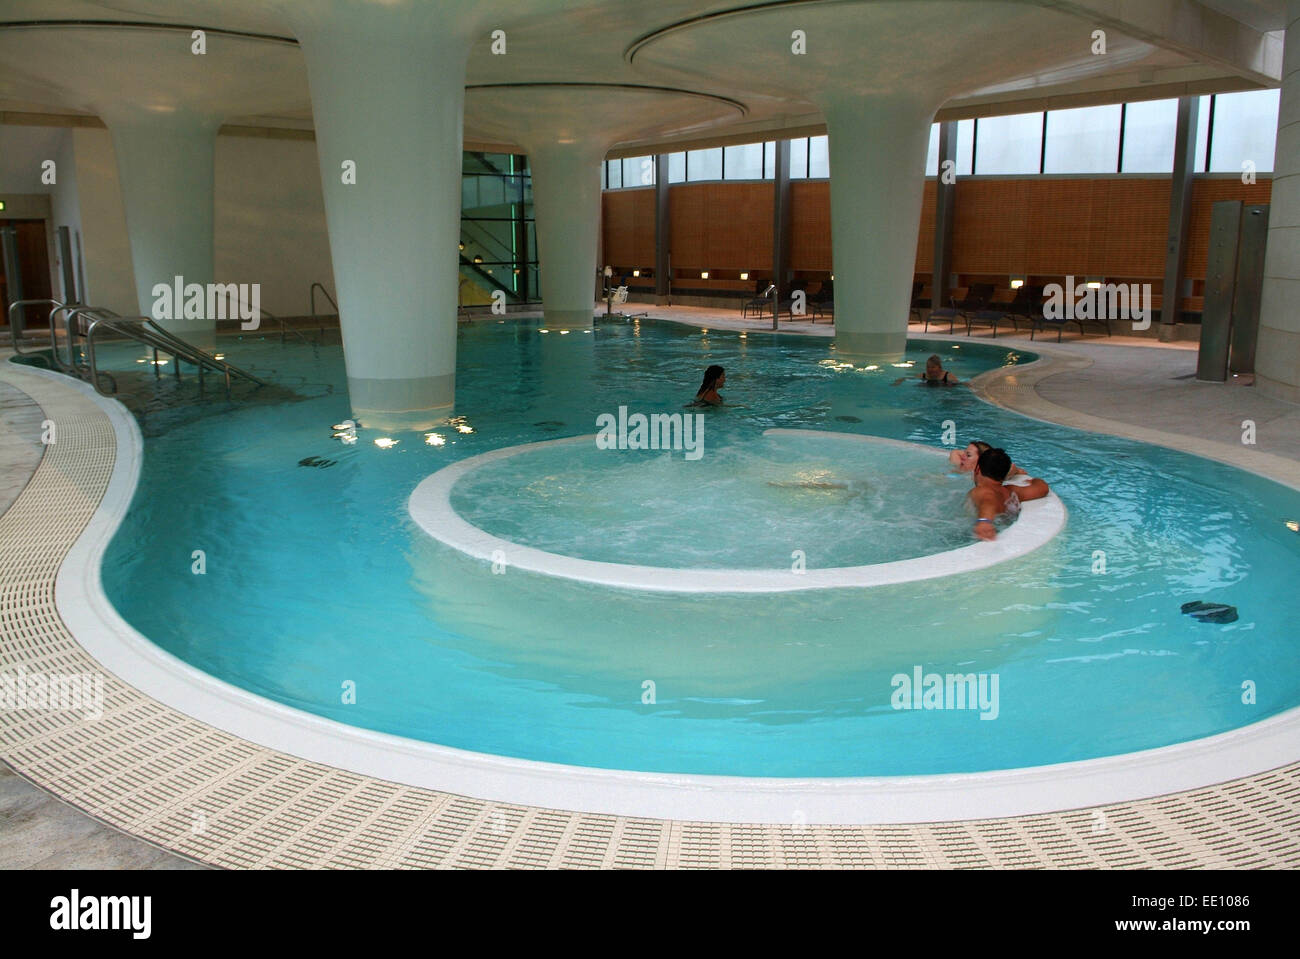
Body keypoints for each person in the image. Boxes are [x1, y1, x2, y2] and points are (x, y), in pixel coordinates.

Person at [969, 447, 1049, 541]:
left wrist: (984, 521)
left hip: (982, 532)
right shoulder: (1011, 491)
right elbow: (1043, 488)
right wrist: (1035, 480)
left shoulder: (981, 491)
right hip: (1004, 529)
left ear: (977, 469)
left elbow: (988, 501)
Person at [948, 440, 1028, 481]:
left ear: (981, 462)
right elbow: (955, 452)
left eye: (968, 455)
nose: (962, 456)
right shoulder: (959, 465)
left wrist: (1016, 471)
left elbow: (1013, 468)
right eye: (964, 452)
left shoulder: (981, 479)